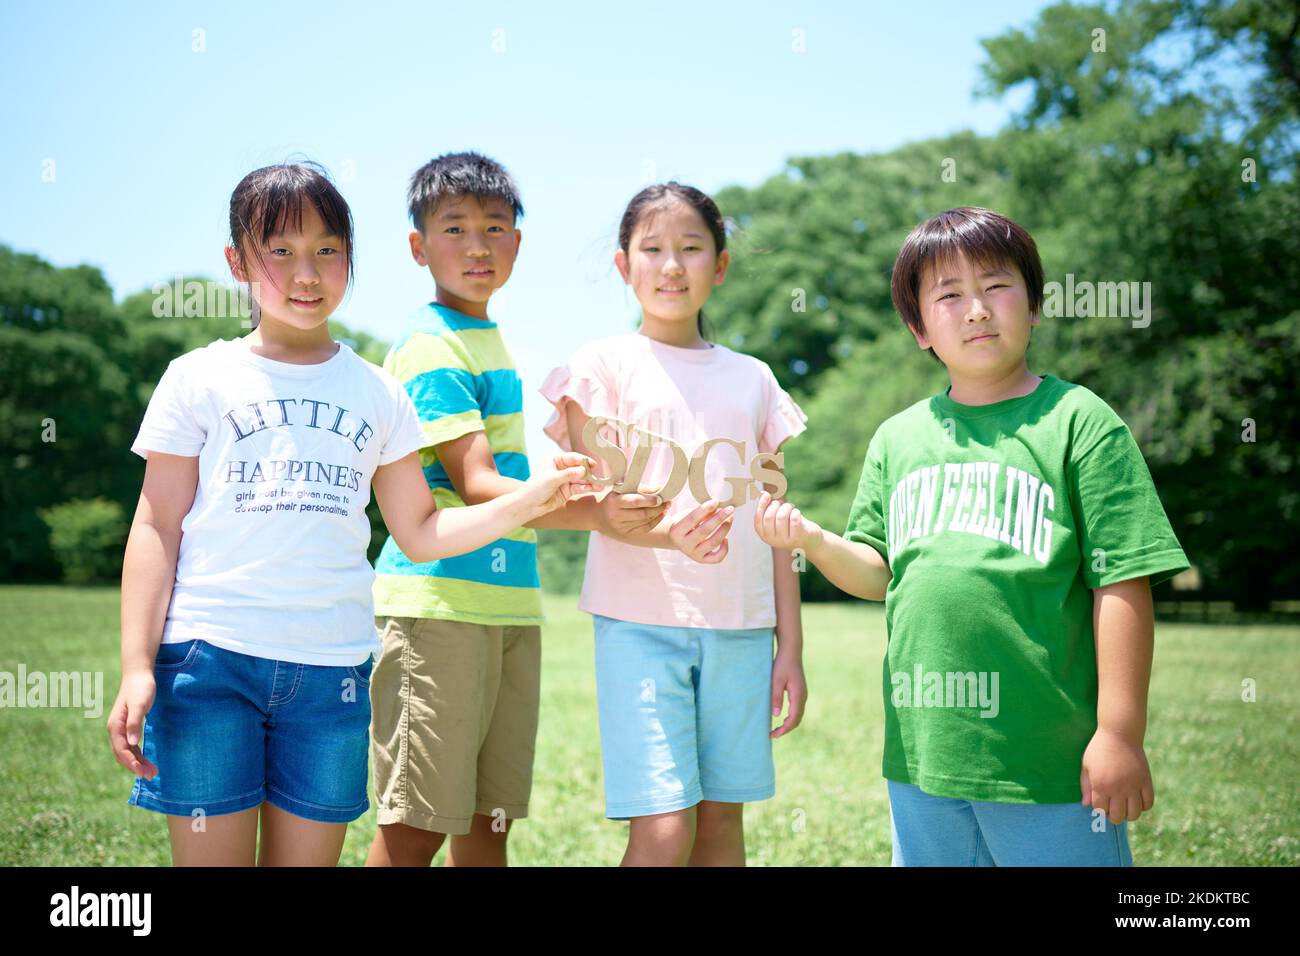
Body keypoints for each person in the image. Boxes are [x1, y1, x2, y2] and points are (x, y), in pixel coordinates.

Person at [106, 161, 589, 867]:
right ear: (238, 260)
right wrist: (136, 665)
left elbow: (421, 532)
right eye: (282, 251)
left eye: (328, 250)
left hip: (330, 675)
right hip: (208, 664)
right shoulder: (198, 378)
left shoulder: (378, 393)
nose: (308, 273)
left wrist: (533, 498)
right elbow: (155, 526)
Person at [753, 205, 1189, 866]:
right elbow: (878, 571)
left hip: (1049, 762)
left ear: (1036, 306)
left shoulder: (1079, 422)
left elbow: (1122, 581)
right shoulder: (898, 438)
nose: (977, 309)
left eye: (996, 286)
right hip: (924, 757)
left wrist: (1118, 733)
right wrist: (813, 540)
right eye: (949, 295)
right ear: (918, 328)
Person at [364, 155, 727, 868]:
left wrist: (600, 512)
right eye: (455, 229)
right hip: (439, 609)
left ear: (518, 245)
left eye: (495, 229)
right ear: (417, 247)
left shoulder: (485, 338)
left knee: (488, 823)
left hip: (505, 607)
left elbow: (511, 495)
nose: (477, 247)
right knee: (415, 829)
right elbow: (477, 483)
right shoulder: (430, 344)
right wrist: (591, 508)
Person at [540, 182, 809, 866]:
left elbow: (776, 526)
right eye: (652, 249)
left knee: (722, 824)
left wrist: (791, 648)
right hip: (639, 626)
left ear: (719, 266)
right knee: (663, 830)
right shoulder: (598, 368)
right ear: (622, 264)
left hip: (742, 630)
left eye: (691, 249)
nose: (671, 266)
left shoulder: (754, 380)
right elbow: (592, 499)